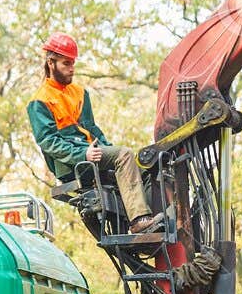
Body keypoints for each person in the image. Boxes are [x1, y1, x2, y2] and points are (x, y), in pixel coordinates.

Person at [28, 34, 163, 238]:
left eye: (73, 63)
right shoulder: (40, 100)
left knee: (144, 167)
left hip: (94, 154)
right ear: (51, 63)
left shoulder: (79, 93)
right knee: (124, 156)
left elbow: (92, 128)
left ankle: (153, 223)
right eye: (66, 63)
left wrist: (110, 149)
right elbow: (49, 142)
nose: (71, 69)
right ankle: (138, 221)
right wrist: (83, 155)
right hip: (71, 164)